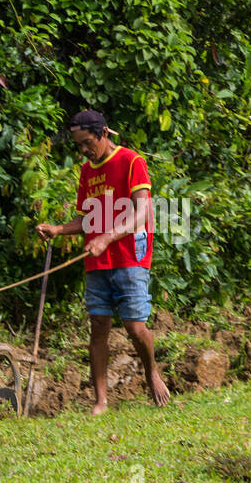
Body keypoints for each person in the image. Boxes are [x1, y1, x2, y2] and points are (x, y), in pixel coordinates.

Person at [35, 109, 170, 414]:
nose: (83, 150)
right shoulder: (87, 172)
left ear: (104, 134)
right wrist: (58, 229)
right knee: (98, 327)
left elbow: (142, 213)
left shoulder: (131, 162)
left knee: (135, 327)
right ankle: (101, 400)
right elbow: (85, 220)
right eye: (79, 145)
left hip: (129, 257)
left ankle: (151, 371)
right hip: (97, 259)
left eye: (87, 143)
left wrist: (107, 237)